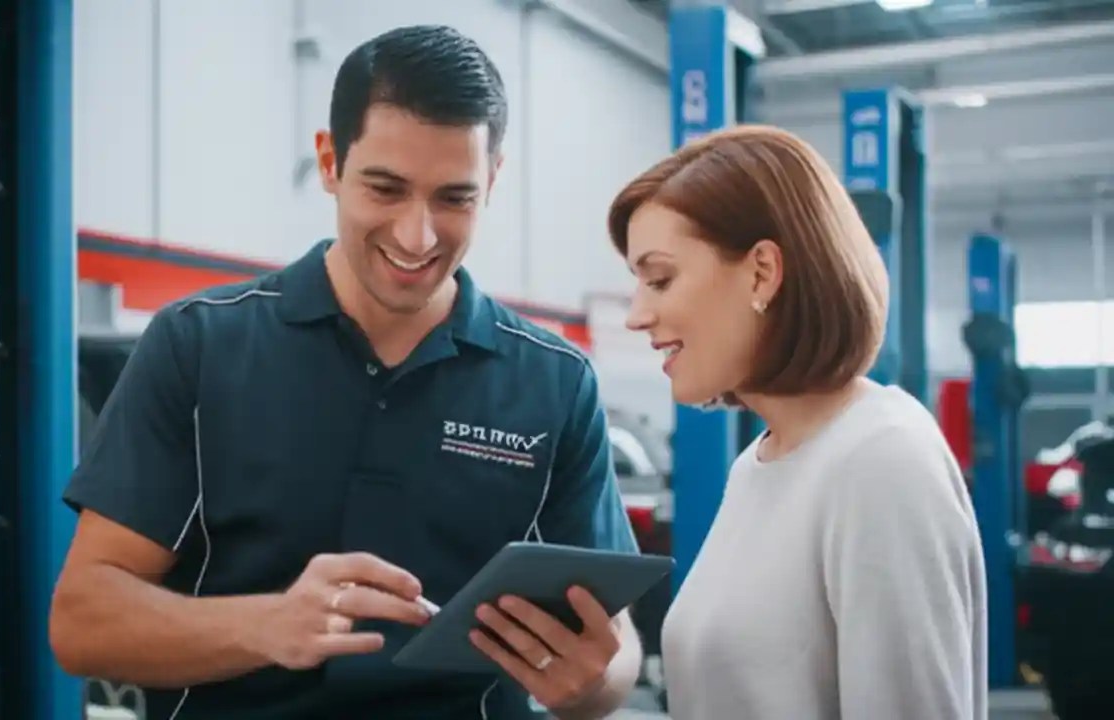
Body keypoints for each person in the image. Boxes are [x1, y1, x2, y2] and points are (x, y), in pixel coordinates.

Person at [49, 24, 643, 720]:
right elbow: (82, 623)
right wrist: (268, 626)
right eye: (385, 189)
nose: (417, 236)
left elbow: (617, 645)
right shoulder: (199, 345)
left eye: (454, 198)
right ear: (330, 161)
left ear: (494, 180)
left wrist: (593, 686)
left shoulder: (553, 382)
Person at [606, 124, 988, 720]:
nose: (637, 314)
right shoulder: (760, 464)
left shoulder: (880, 461)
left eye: (660, 279)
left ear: (761, 272)